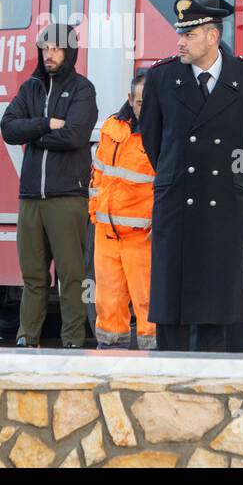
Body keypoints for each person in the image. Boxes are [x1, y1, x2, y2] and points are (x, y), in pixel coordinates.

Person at [140, 0, 243, 353]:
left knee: (217, 303)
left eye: (190, 34)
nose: (180, 41)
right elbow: (154, 140)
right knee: (172, 302)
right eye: (180, 33)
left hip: (224, 202)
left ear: (212, 36)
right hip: (178, 201)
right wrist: (175, 173)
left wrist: (236, 182)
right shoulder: (163, 77)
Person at [0, 21, 97, 348]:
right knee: (33, 276)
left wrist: (35, 136)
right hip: (30, 198)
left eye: (55, 49)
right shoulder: (30, 88)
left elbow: (74, 136)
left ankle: (73, 339)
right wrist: (44, 124)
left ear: (69, 52)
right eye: (45, 49)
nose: (49, 55)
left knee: (71, 276)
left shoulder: (83, 89)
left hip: (67, 197)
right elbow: (9, 129)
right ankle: (27, 337)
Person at [89, 72, 156, 349]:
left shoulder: (161, 134)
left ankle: (154, 363)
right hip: (107, 233)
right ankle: (110, 359)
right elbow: (98, 175)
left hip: (143, 235)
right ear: (130, 99)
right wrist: (95, 213)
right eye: (140, 102)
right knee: (108, 303)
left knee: (148, 304)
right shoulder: (110, 128)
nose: (144, 108)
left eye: (148, 102)